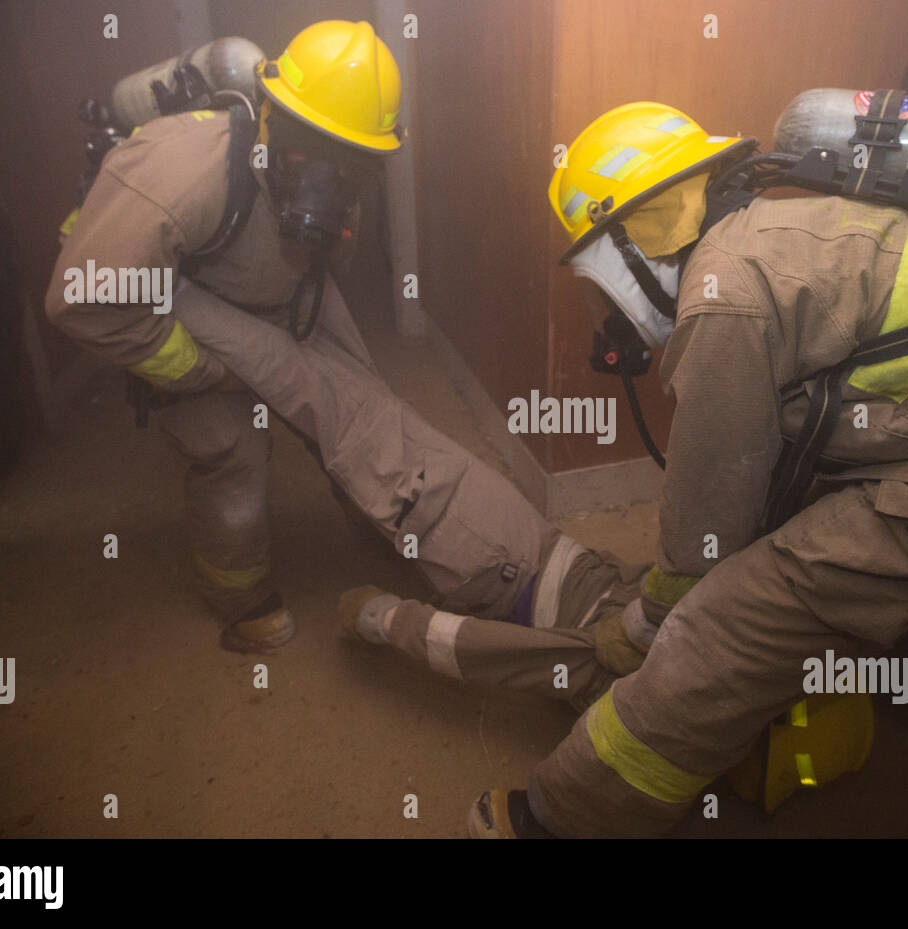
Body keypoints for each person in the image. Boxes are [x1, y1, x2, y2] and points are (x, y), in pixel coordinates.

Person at [450, 100, 908, 837]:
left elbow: (706, 533)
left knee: (729, 622)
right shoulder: (772, 226)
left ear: (630, 241)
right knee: (824, 514)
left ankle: (566, 817)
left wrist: (652, 620)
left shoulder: (724, 299)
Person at [43, 20, 564, 654]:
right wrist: (197, 370)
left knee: (360, 411)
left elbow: (326, 263)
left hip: (282, 297)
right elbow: (81, 302)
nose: (327, 180)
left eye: (348, 162)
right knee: (232, 452)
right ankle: (240, 600)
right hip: (172, 310)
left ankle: (396, 529)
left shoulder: (342, 172)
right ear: (270, 116)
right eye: (309, 152)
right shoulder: (180, 172)